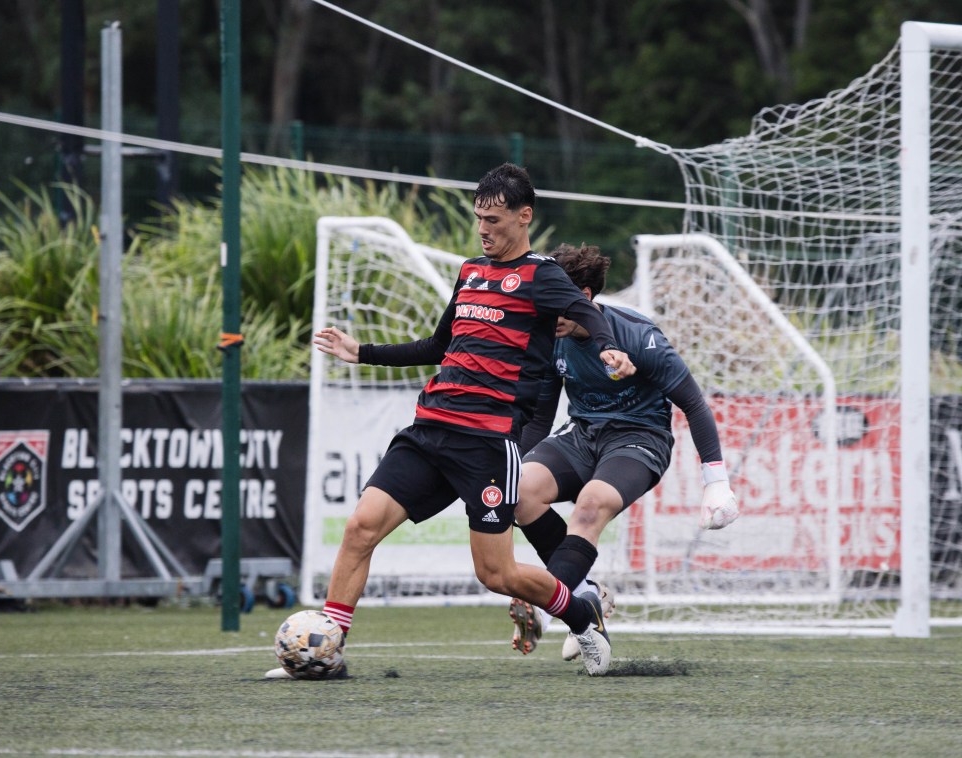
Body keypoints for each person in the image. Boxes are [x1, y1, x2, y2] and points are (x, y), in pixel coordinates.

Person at [281, 164, 635, 678]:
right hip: (429, 429)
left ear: (524, 215)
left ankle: (580, 612)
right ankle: (326, 651)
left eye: (493, 219)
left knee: (496, 574)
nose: (483, 229)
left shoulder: (542, 275)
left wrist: (607, 352)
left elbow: (591, 317)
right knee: (360, 528)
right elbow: (437, 345)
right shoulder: (470, 272)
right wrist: (363, 353)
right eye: (478, 219)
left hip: (486, 443)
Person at [507, 243, 739, 659]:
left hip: (640, 437)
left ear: (584, 298)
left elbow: (694, 402)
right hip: (582, 433)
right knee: (519, 493)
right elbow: (540, 420)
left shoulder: (638, 336)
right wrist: (507, 466)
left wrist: (716, 482)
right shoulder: (549, 338)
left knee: (591, 504)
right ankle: (583, 594)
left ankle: (544, 603)